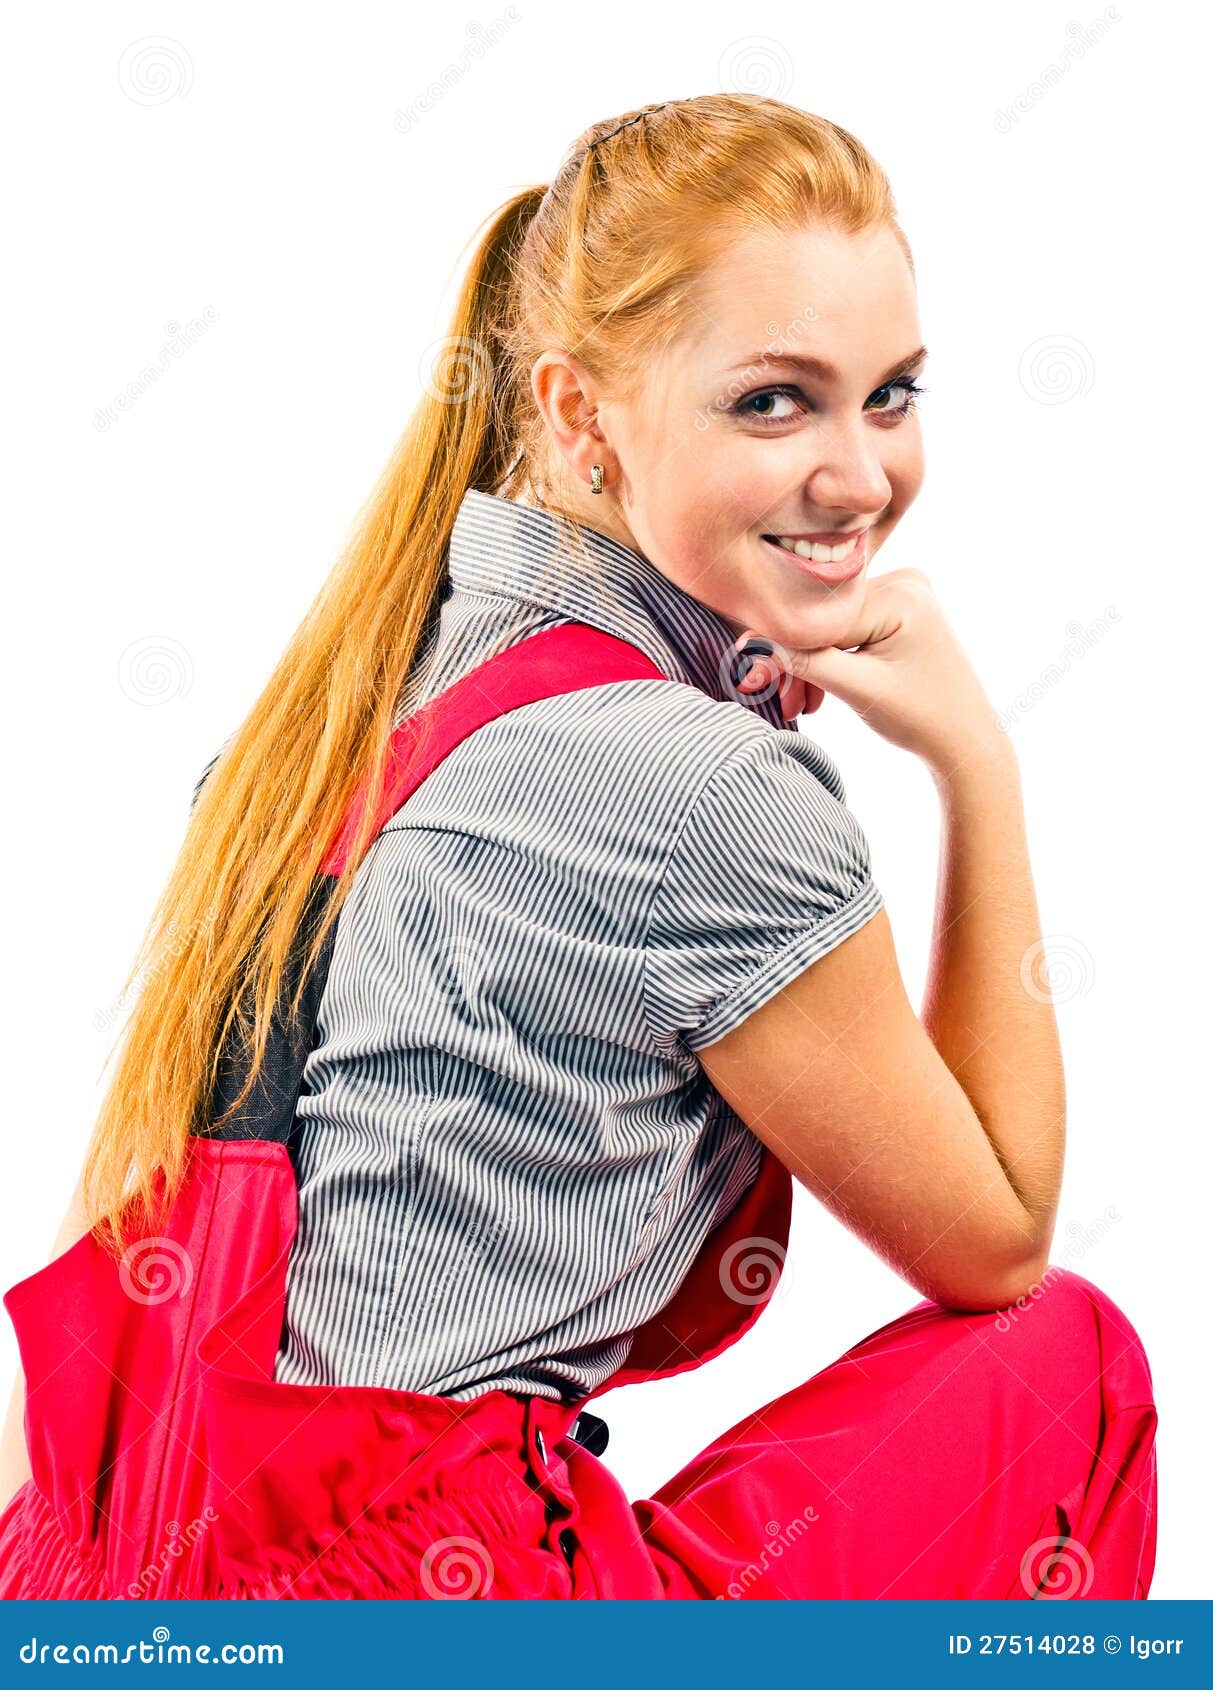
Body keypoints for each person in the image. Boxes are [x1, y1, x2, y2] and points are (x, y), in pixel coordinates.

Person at [0, 93, 1156, 1600]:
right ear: (576, 414)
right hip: (426, 1598)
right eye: (774, 402)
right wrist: (976, 767)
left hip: (78, 1569)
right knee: (1063, 1363)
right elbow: (992, 1242)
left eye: (890, 394)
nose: (862, 476)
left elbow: (103, 1283)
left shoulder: (330, 710)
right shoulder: (703, 791)